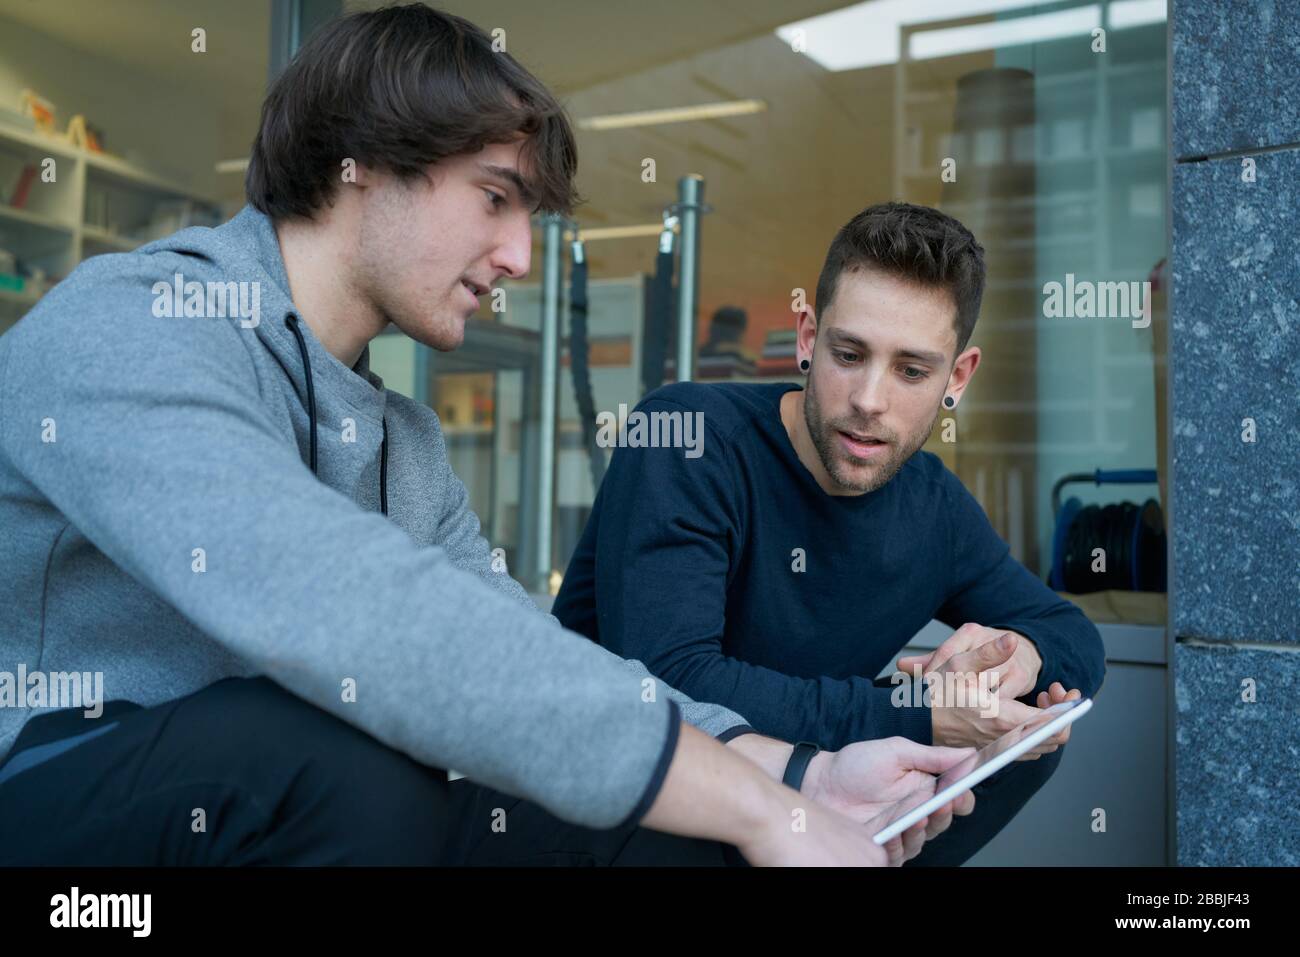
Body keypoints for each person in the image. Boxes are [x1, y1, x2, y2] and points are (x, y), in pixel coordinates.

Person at [0, 5, 973, 867]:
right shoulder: (139, 321)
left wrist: (795, 777)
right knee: (345, 755)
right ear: (365, 163)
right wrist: (764, 809)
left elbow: (527, 665)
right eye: (495, 198)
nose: (517, 256)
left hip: (253, 795)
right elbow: (354, 614)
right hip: (46, 795)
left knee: (629, 815)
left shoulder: (404, 444)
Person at [553, 201, 1107, 865]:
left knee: (1023, 739)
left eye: (911, 370)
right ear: (808, 338)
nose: (870, 399)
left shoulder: (935, 508)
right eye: (849, 353)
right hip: (613, 813)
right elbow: (670, 682)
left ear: (957, 377)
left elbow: (1075, 638)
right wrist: (918, 712)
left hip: (797, 808)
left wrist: (1020, 655)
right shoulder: (688, 436)